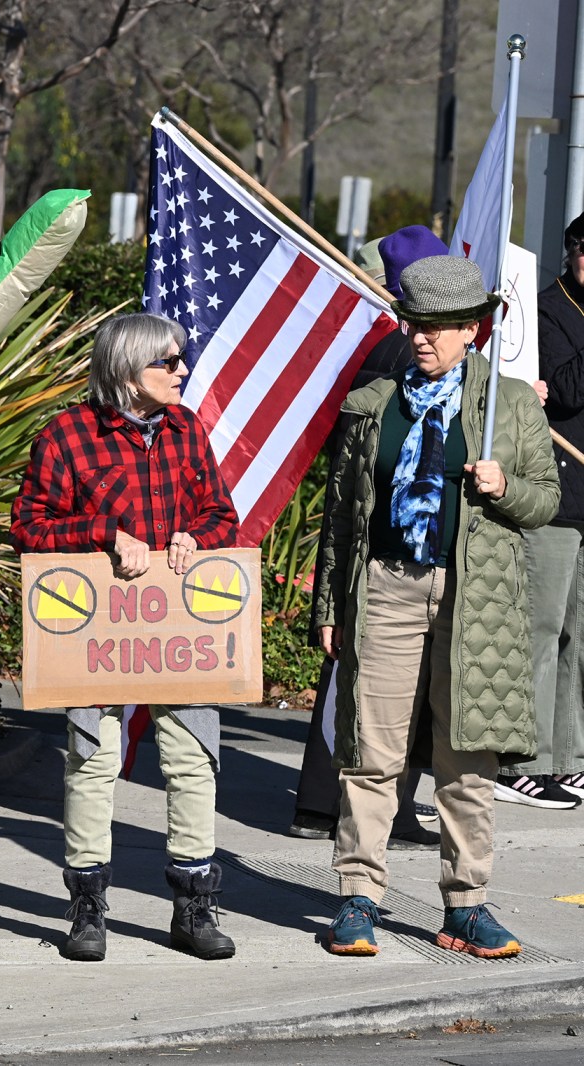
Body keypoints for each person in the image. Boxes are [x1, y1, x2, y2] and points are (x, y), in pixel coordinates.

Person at [312, 256, 559, 958]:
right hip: (386, 586)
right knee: (370, 751)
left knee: (467, 757)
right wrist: (331, 601)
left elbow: (544, 501)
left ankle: (466, 905)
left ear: (472, 330)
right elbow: (341, 519)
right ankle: (358, 897)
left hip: (474, 597)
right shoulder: (373, 403)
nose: (420, 337)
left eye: (437, 327)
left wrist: (504, 484)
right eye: (411, 323)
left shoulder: (508, 404)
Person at [11, 311, 240, 963]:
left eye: (181, 360)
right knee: (91, 758)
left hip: (178, 627)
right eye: (168, 363)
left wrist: (197, 535)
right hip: (97, 628)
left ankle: (194, 904)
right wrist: (104, 534)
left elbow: (223, 513)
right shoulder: (66, 437)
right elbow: (28, 526)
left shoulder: (187, 431)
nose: (182, 371)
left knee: (194, 757)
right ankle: (87, 905)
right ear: (126, 370)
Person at [289, 229, 447, 846]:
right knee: (369, 684)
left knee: (354, 680)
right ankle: (344, 806)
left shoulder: (381, 343)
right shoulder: (397, 354)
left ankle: (322, 803)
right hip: (384, 539)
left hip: (374, 535)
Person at [496, 211, 584, 809]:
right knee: (541, 629)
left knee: (580, 636)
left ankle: (569, 757)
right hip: (556, 497)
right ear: (572, 251)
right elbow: (567, 389)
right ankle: (520, 762)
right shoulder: (548, 309)